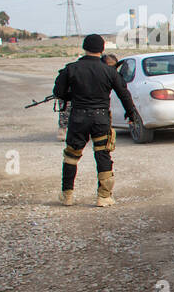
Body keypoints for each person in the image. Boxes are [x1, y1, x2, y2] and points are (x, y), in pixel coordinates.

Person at [53, 34, 140, 207]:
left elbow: (59, 92)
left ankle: (67, 195)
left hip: (78, 118)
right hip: (100, 118)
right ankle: (104, 197)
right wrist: (132, 114)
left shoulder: (71, 69)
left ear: (84, 48)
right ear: (102, 50)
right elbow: (124, 94)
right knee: (103, 154)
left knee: (71, 156)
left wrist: (73, 95)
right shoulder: (109, 71)